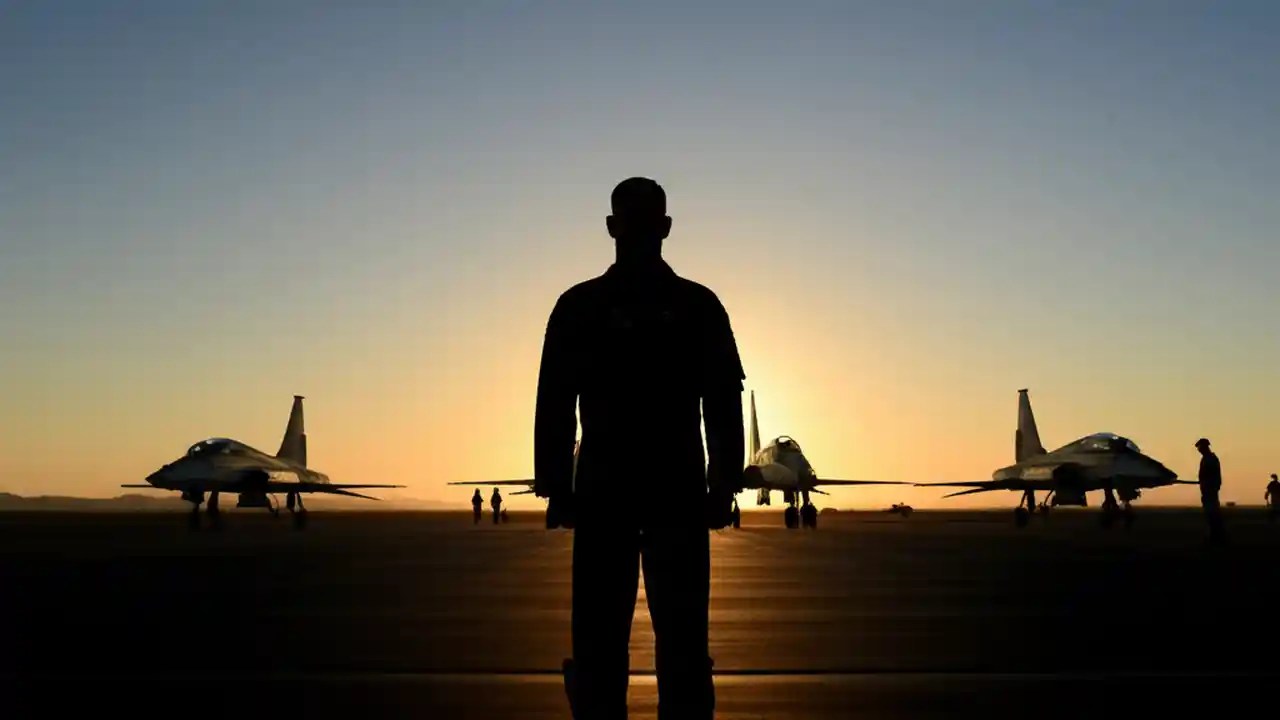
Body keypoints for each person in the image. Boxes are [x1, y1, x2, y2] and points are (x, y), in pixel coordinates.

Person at [534, 177, 745, 719]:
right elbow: (723, 404)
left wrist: (557, 487)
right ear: (667, 228)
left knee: (601, 645)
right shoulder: (699, 306)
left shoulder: (579, 306)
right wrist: (722, 486)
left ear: (611, 227)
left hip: (605, 495)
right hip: (676, 494)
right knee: (682, 645)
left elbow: (554, 404)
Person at [1195, 438, 1226, 544]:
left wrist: (1207, 484)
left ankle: (1216, 538)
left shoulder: (1210, 459)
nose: (1198, 450)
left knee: (1212, 514)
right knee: (1210, 515)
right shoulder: (1207, 458)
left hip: (1210, 491)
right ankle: (1214, 537)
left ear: (1204, 447)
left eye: (1199, 447)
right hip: (1207, 490)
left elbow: (1213, 477)